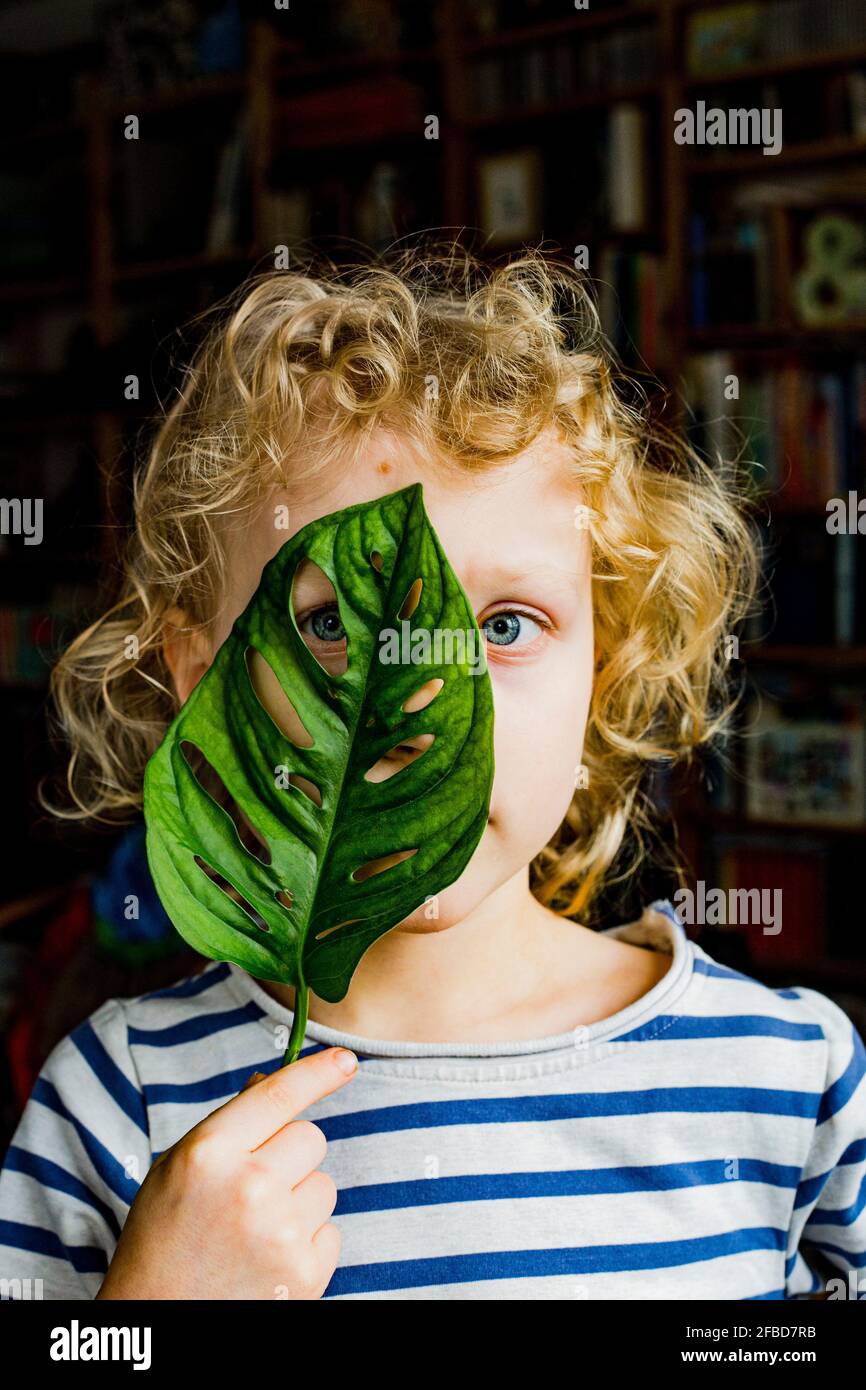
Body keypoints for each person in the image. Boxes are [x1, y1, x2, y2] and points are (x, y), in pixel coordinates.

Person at [1, 247, 863, 1300]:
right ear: (199, 680)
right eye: (327, 625)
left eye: (505, 623)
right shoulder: (117, 1099)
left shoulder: (785, 1077)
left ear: (605, 659)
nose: (412, 707)